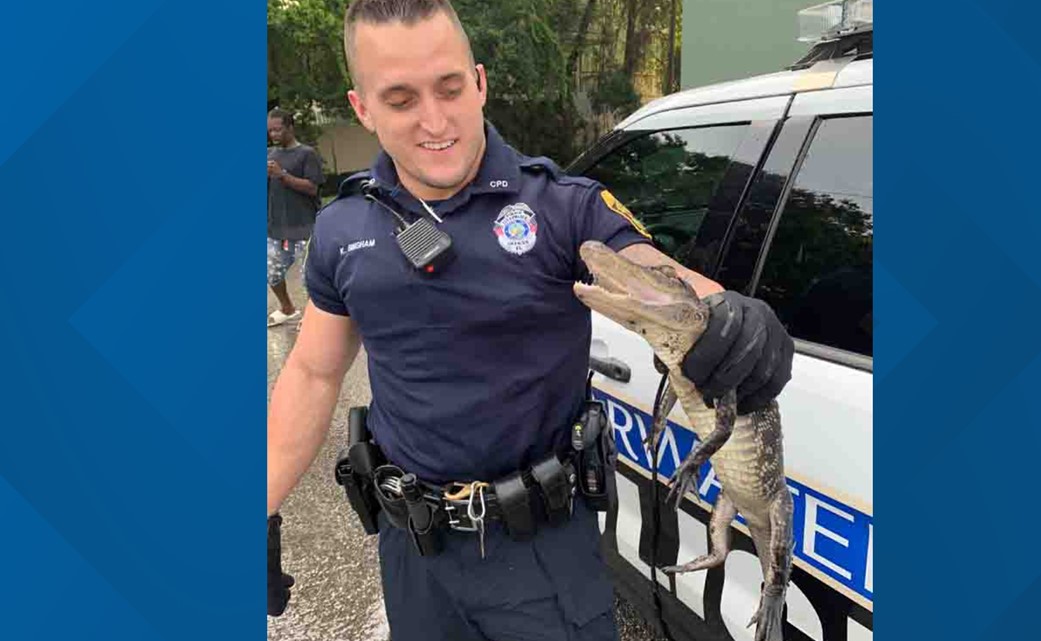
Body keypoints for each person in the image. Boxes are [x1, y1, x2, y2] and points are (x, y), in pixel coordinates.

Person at [266, 1, 795, 639]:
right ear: (362, 108)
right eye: (401, 100)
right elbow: (315, 372)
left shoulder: (565, 206)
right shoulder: (342, 226)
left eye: (450, 88)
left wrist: (735, 322)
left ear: (480, 83)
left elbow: (663, 286)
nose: (435, 120)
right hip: (413, 555)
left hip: (544, 556)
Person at [267, 108, 324, 327]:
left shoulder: (306, 154)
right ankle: (288, 309)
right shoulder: (269, 155)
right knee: (271, 273)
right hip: (276, 228)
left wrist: (282, 175)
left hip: (305, 229)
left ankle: (315, 319)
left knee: (309, 280)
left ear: (290, 128)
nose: (273, 135)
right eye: (270, 131)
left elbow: (312, 188)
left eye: (278, 130)